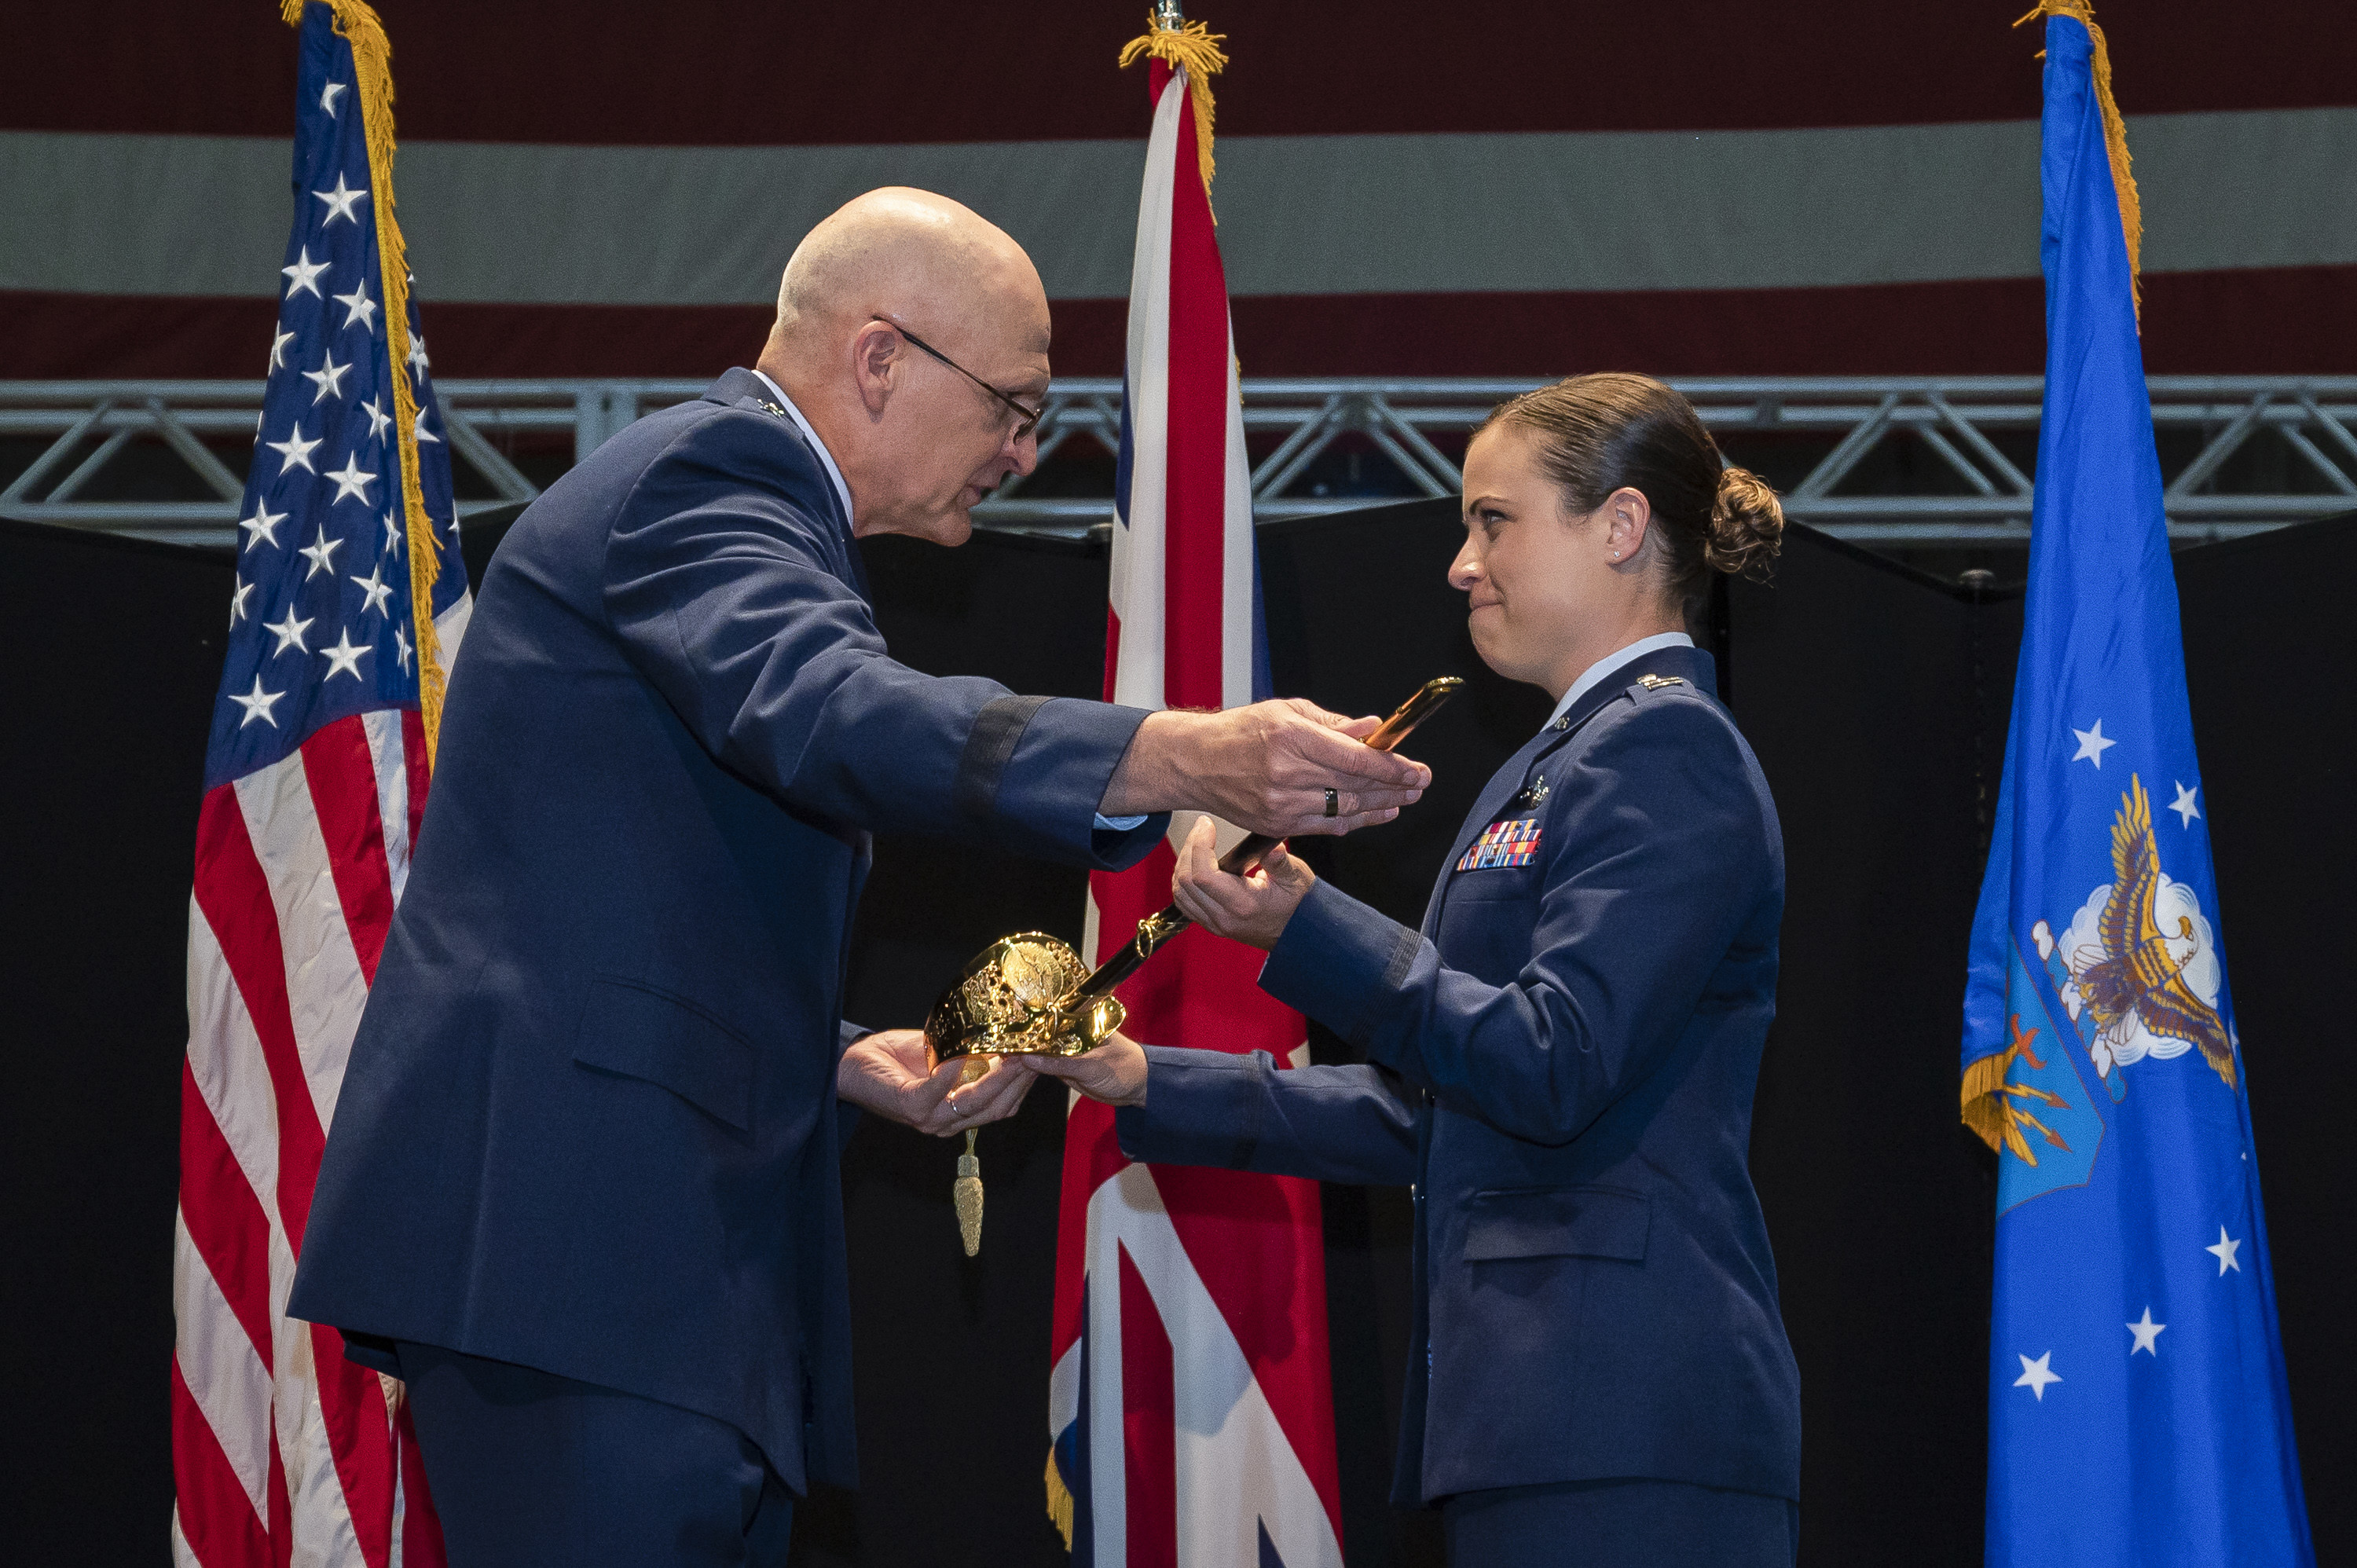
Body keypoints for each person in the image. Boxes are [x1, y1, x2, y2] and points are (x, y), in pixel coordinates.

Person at [287, 187, 1428, 1566]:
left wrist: (825, 1055)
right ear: (880, 358)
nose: (1021, 451)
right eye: (1012, 404)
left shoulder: (751, 512)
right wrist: (1181, 753)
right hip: (586, 1260)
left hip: (642, 1272)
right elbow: (835, 711)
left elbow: (627, 895)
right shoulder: (704, 477)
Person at [1027, 373, 1802, 1566]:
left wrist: (1304, 924)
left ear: (1622, 527)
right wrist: (1146, 1082)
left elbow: (1554, 1064)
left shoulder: (1668, 747)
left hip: (1629, 1419)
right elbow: (1439, 1115)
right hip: (1532, 1422)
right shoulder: (1557, 762)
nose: (1460, 561)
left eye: (1495, 519)